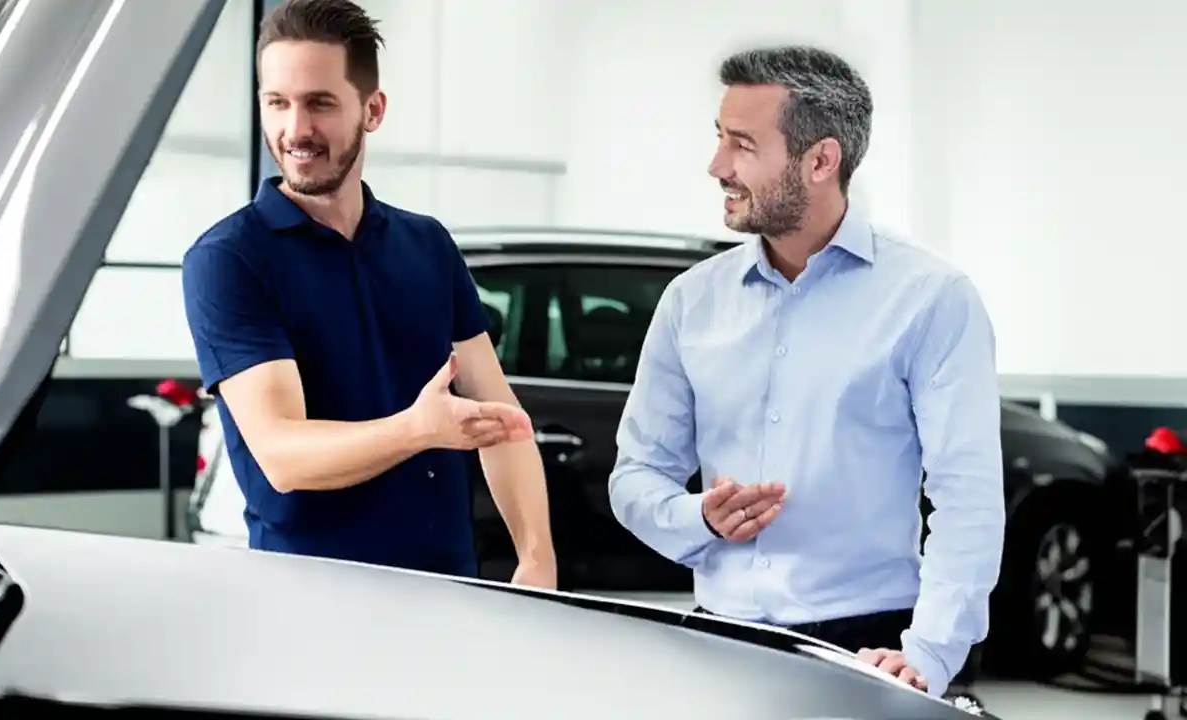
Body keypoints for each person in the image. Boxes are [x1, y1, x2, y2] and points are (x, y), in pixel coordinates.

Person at [608, 45, 1004, 697]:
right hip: (718, 643)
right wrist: (698, 518)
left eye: (741, 145)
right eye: (719, 139)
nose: (716, 166)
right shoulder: (691, 302)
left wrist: (930, 652)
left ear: (820, 160)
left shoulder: (931, 299)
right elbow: (637, 477)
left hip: (869, 650)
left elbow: (967, 497)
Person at [181, 0, 556, 588]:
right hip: (311, 598)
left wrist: (536, 559)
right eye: (277, 103)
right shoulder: (230, 259)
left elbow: (503, 419)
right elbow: (281, 453)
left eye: (321, 103)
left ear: (372, 109)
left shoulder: (427, 244)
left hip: (449, 590)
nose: (295, 130)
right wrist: (419, 429)